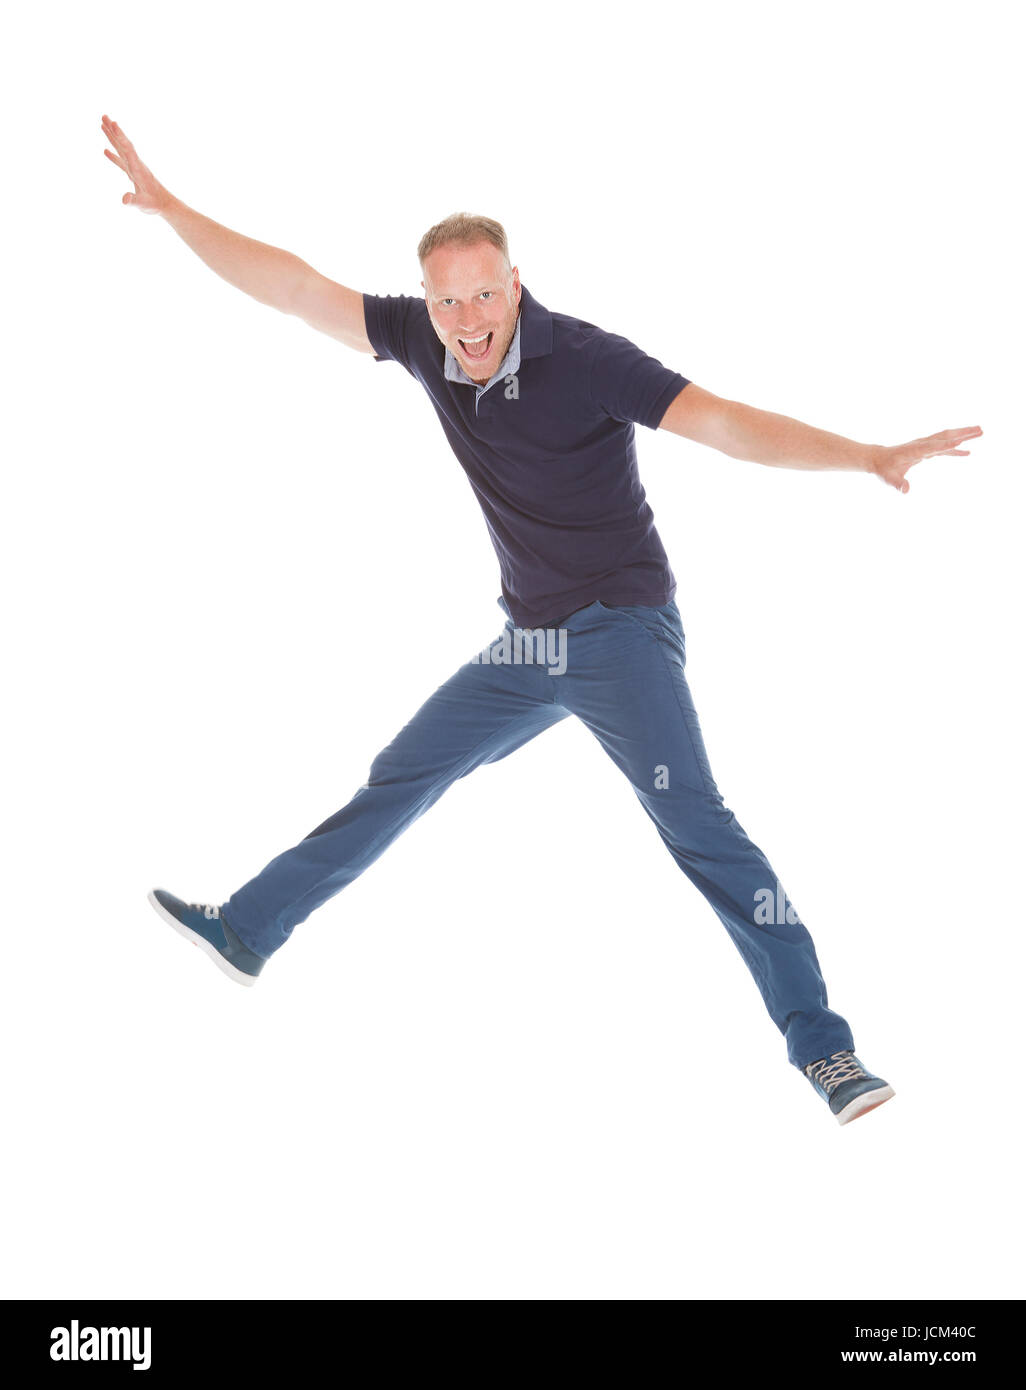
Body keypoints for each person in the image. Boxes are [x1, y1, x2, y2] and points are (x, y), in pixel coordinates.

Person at [103, 115, 982, 1126]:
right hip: (528, 645)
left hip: (619, 635)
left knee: (699, 828)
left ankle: (828, 1053)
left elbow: (731, 424)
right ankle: (251, 927)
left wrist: (867, 453)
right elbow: (296, 287)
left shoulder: (590, 362)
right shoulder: (425, 344)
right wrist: (173, 212)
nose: (466, 316)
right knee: (402, 771)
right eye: (446, 299)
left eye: (483, 292)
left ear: (515, 284)